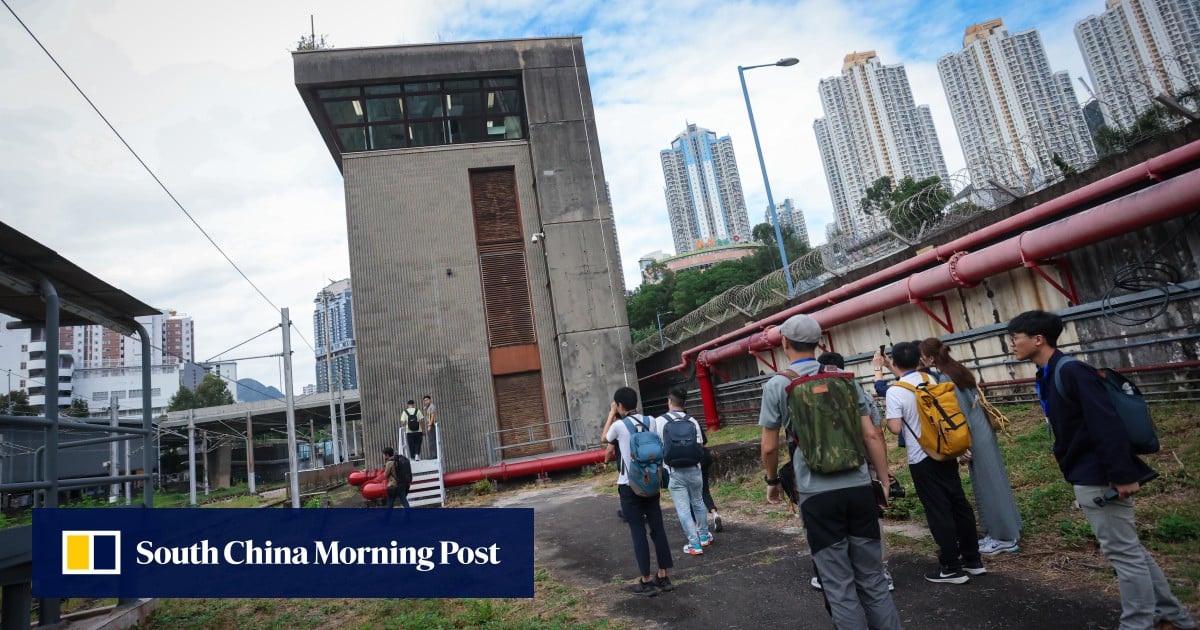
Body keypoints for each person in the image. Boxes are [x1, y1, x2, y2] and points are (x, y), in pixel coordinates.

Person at [1008, 310, 1196, 630]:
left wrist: (1122, 475)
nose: (1012, 345)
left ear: (1038, 339)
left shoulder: (1072, 372)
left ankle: (1137, 624)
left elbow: (1105, 424)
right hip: (1086, 471)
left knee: (1124, 554)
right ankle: (1173, 617)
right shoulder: (1049, 372)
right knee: (1128, 549)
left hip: (1099, 476)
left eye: (1015, 339)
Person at [760, 315, 900, 629]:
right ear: (818, 343)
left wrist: (772, 482)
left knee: (839, 586)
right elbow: (872, 435)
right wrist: (882, 478)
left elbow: (769, 448)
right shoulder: (846, 380)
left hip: (816, 496)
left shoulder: (778, 385)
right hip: (859, 488)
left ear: (784, 344)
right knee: (874, 580)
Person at [885, 341, 984, 584]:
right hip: (947, 451)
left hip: (923, 457)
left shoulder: (895, 391)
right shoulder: (931, 379)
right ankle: (973, 560)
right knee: (958, 503)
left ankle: (951, 567)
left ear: (893, 363)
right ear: (919, 359)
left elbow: (895, 427)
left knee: (938, 510)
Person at [919, 338, 1022, 555]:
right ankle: (1005, 529)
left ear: (929, 357)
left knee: (988, 485)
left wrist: (961, 447)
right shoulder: (957, 369)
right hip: (982, 429)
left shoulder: (945, 377)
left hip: (974, 434)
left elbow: (959, 414)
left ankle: (1004, 538)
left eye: (921, 356)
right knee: (994, 481)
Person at [813, 351, 894, 592]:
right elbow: (874, 433)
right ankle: (880, 572)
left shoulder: (808, 391)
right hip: (859, 466)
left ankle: (827, 574)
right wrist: (882, 471)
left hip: (823, 468)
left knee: (829, 521)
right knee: (869, 517)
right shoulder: (857, 390)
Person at [605, 386, 674, 596]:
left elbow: (604, 439)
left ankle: (645, 580)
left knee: (638, 532)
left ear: (619, 406)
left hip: (629, 485)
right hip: (651, 480)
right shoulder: (651, 421)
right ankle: (663, 576)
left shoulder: (618, 426)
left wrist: (611, 414)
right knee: (657, 529)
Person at [654, 385, 711, 556]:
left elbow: (656, 447)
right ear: (684, 402)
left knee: (683, 508)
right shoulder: (692, 421)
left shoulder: (659, 421)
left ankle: (694, 545)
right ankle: (703, 537)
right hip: (694, 469)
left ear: (669, 401)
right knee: (698, 502)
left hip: (673, 471)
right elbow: (700, 446)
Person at [423, 395, 438, 460]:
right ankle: (432, 454)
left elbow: (432, 416)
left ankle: (433, 455)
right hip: (430, 424)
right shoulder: (428, 407)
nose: (426, 402)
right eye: (425, 401)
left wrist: (429, 425)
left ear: (430, 400)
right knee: (430, 440)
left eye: (427, 400)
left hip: (432, 425)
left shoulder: (432, 406)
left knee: (432, 440)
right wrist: (425, 409)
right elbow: (427, 416)